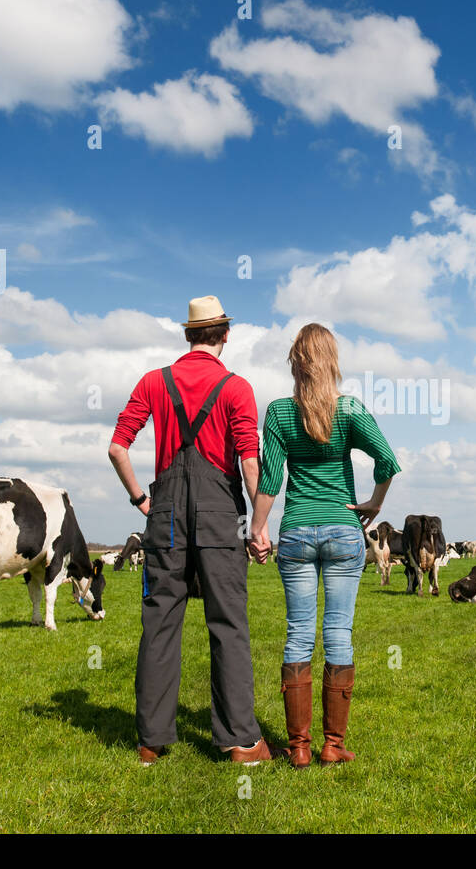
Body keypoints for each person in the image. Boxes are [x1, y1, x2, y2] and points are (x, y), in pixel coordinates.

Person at [109, 295, 284, 767]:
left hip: (163, 513)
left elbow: (117, 448)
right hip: (218, 515)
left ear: (188, 336)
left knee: (160, 622)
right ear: (225, 335)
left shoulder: (153, 382)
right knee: (228, 623)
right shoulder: (236, 388)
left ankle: (152, 740)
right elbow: (249, 460)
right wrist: (261, 526)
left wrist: (140, 500)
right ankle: (240, 742)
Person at [249, 323, 401, 768]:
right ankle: (332, 746)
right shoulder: (350, 409)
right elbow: (387, 461)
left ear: (295, 362)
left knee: (298, 634)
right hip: (341, 532)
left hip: (295, 533)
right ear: (331, 361)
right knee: (338, 634)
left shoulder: (278, 413)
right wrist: (374, 502)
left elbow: (272, 479)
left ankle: (297, 748)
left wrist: (257, 529)